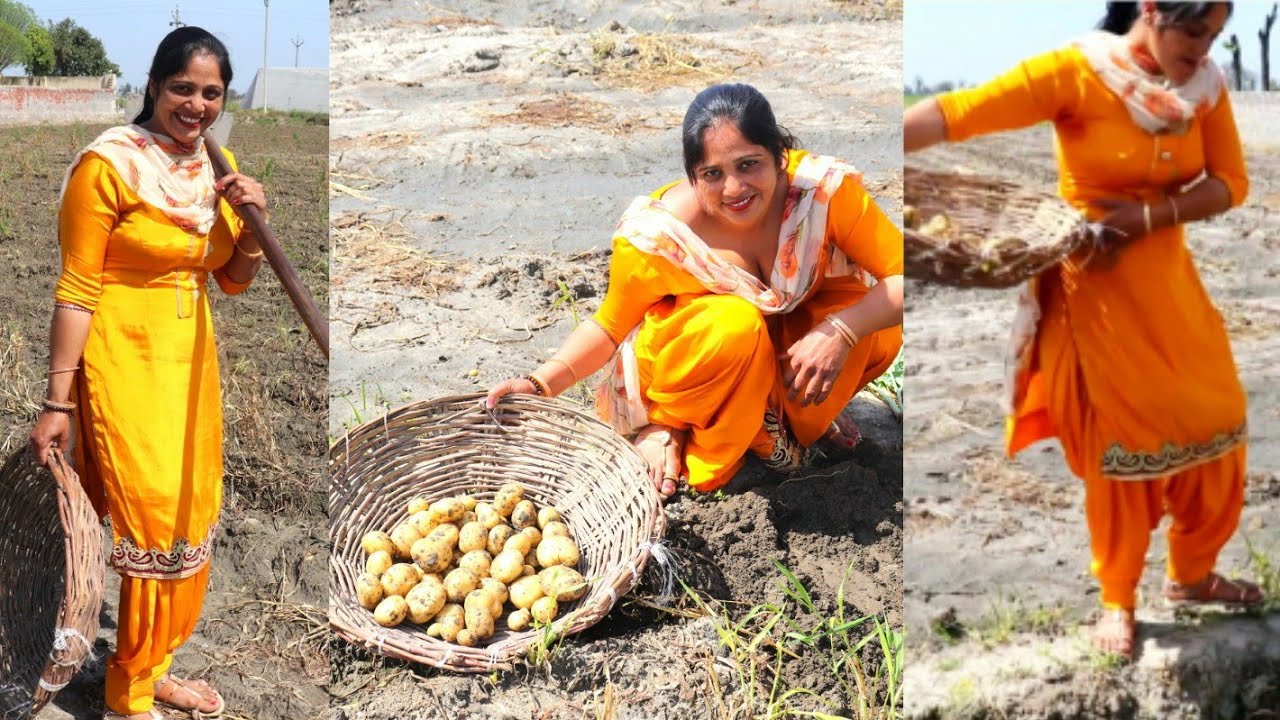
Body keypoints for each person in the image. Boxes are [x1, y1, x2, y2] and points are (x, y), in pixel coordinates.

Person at [904, 1, 1261, 659]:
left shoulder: (1204, 89)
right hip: (1093, 294)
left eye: (1216, 35)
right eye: (1193, 31)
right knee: (1122, 445)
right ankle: (1118, 600)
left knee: (1219, 423)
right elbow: (958, 113)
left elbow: (1230, 183)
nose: (1205, 48)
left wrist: (1150, 216)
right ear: (1152, 8)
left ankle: (1191, 575)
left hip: (1172, 290)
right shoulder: (1077, 72)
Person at [486, 83, 903, 497]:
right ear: (692, 176)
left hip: (768, 353)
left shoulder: (822, 195)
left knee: (875, 325)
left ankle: (782, 426)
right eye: (712, 174)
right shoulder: (658, 237)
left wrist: (841, 330)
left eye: (748, 164)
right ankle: (679, 433)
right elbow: (608, 328)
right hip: (692, 362)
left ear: (780, 156)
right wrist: (539, 384)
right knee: (734, 323)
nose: (734, 189)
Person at [27, 27, 268, 720]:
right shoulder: (109, 165)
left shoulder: (215, 170)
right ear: (155, 87)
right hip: (119, 352)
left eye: (212, 93)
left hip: (190, 359)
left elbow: (230, 280)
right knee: (153, 517)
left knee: (192, 513)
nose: (197, 106)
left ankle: (151, 664)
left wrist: (249, 226)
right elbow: (75, 289)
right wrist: (57, 401)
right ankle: (126, 695)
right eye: (183, 89)